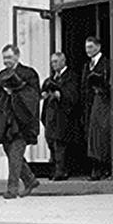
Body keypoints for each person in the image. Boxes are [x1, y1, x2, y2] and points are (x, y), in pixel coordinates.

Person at [0, 44, 41, 199]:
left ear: (17, 56)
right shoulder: (0, 75)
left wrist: (16, 91)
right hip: (5, 123)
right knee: (12, 154)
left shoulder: (29, 73)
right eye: (4, 57)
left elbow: (34, 97)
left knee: (15, 154)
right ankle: (30, 180)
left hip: (21, 122)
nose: (6, 61)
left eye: (9, 57)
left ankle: (12, 189)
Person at [40, 51, 80, 181]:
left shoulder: (71, 77)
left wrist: (60, 94)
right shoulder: (51, 79)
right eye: (52, 62)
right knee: (51, 143)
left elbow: (73, 95)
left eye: (56, 62)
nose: (53, 65)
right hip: (50, 117)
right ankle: (55, 170)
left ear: (63, 62)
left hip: (63, 116)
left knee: (60, 145)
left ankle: (61, 171)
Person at [80, 35, 111, 180]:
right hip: (90, 104)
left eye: (91, 47)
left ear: (98, 47)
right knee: (91, 136)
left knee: (101, 136)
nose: (88, 50)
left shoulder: (106, 63)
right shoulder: (86, 65)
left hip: (103, 103)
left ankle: (102, 168)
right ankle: (94, 167)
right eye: (86, 47)